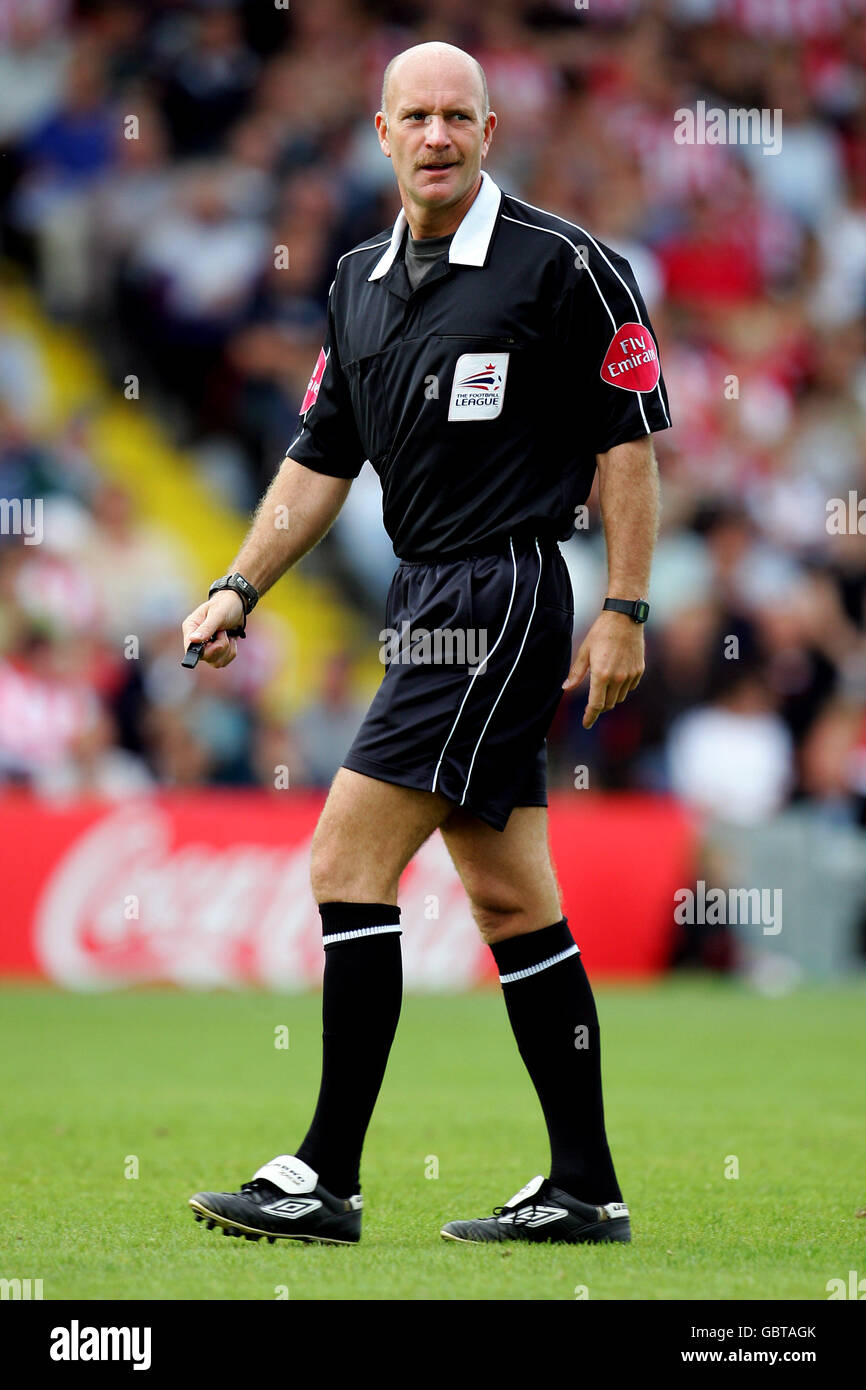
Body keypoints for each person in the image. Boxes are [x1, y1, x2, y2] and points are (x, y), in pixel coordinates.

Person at [182, 41, 669, 1247]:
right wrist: (238, 585)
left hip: (497, 591)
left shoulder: (564, 265)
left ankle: (324, 1176)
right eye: (417, 117)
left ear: (489, 131)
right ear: (383, 132)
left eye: (459, 115)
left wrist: (625, 607)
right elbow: (318, 460)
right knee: (509, 899)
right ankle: (584, 1187)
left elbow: (625, 445)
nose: (437, 135)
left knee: (345, 859)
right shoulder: (355, 279)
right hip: (422, 595)